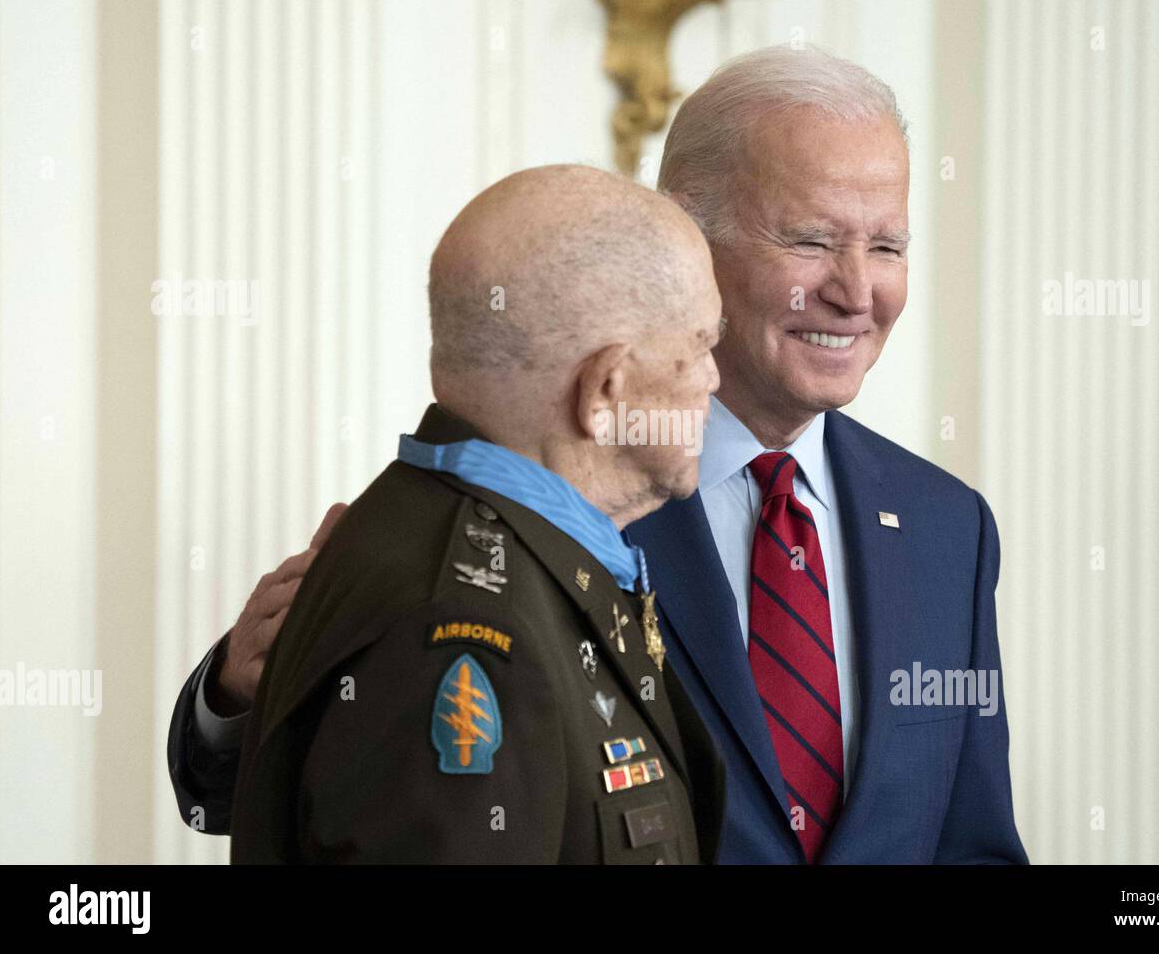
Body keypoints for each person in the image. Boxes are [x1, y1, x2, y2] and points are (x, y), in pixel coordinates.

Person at [170, 44, 1027, 865]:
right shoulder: (540, 489)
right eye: (809, 239)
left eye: (887, 246)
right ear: (686, 233)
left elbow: (975, 843)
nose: (855, 291)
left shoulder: (948, 528)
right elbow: (308, 780)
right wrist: (238, 698)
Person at [219, 164, 725, 862]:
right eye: (699, 347)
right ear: (606, 389)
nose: (713, 380)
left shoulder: (481, 545)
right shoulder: (465, 628)